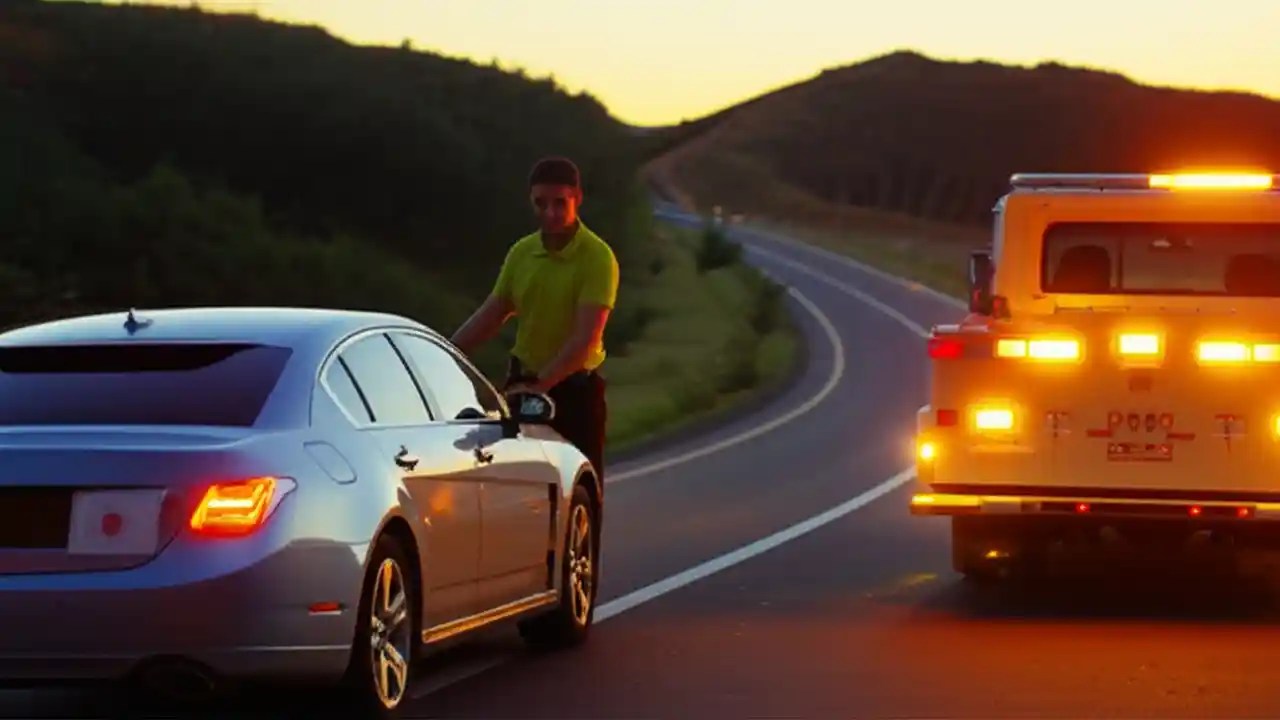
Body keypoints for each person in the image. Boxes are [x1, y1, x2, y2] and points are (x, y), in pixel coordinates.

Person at [450, 157, 619, 480]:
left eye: (560, 203)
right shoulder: (521, 253)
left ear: (577, 199)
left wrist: (538, 387)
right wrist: (444, 353)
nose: (550, 213)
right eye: (541, 203)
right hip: (522, 383)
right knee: (516, 486)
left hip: (573, 392)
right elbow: (491, 314)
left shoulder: (598, 258)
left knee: (581, 488)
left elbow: (584, 340)